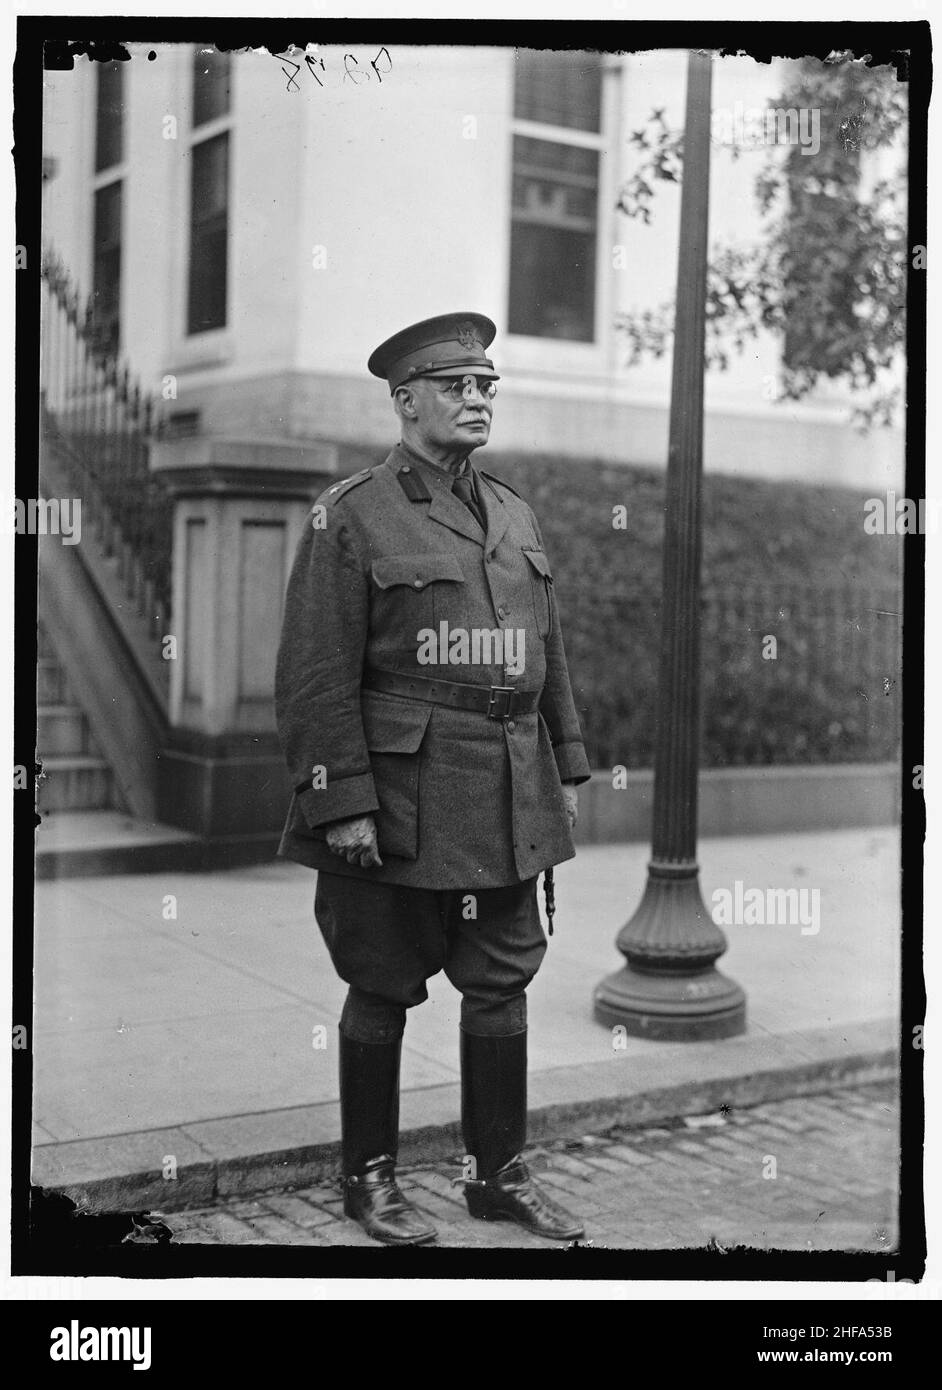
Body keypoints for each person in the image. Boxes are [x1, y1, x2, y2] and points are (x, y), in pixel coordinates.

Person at [275, 312, 591, 1245]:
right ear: (405, 399)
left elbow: (547, 656)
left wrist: (566, 765)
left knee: (501, 984)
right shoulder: (353, 512)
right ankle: (367, 1181)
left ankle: (498, 1178)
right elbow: (314, 675)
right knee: (381, 983)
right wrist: (342, 802)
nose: (477, 398)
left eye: (488, 384)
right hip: (402, 798)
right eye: (457, 384)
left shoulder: (514, 511)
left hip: (503, 795)